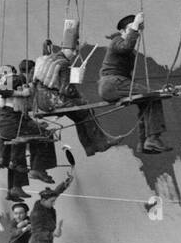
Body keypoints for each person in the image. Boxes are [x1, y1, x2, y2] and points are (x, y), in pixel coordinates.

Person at [98, 12, 168, 154]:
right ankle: (152, 139)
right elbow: (126, 46)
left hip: (115, 83)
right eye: (130, 29)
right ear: (123, 31)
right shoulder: (117, 41)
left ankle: (144, 143)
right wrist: (136, 25)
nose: (135, 31)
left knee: (145, 100)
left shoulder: (126, 49)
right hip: (112, 83)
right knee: (153, 96)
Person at [33, 40, 111, 155]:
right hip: (52, 100)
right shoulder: (64, 63)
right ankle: (101, 143)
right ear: (67, 49)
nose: (75, 54)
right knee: (86, 109)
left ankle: (90, 147)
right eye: (74, 51)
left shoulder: (47, 59)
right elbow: (67, 90)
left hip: (41, 100)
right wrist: (80, 98)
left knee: (77, 115)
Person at [0, 60, 58, 185]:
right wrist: (21, 93)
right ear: (31, 71)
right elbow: (1, 90)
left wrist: (36, 124)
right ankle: (38, 169)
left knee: (40, 131)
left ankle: (38, 168)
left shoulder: (21, 81)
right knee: (46, 134)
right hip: (12, 124)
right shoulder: (16, 78)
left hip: (9, 123)